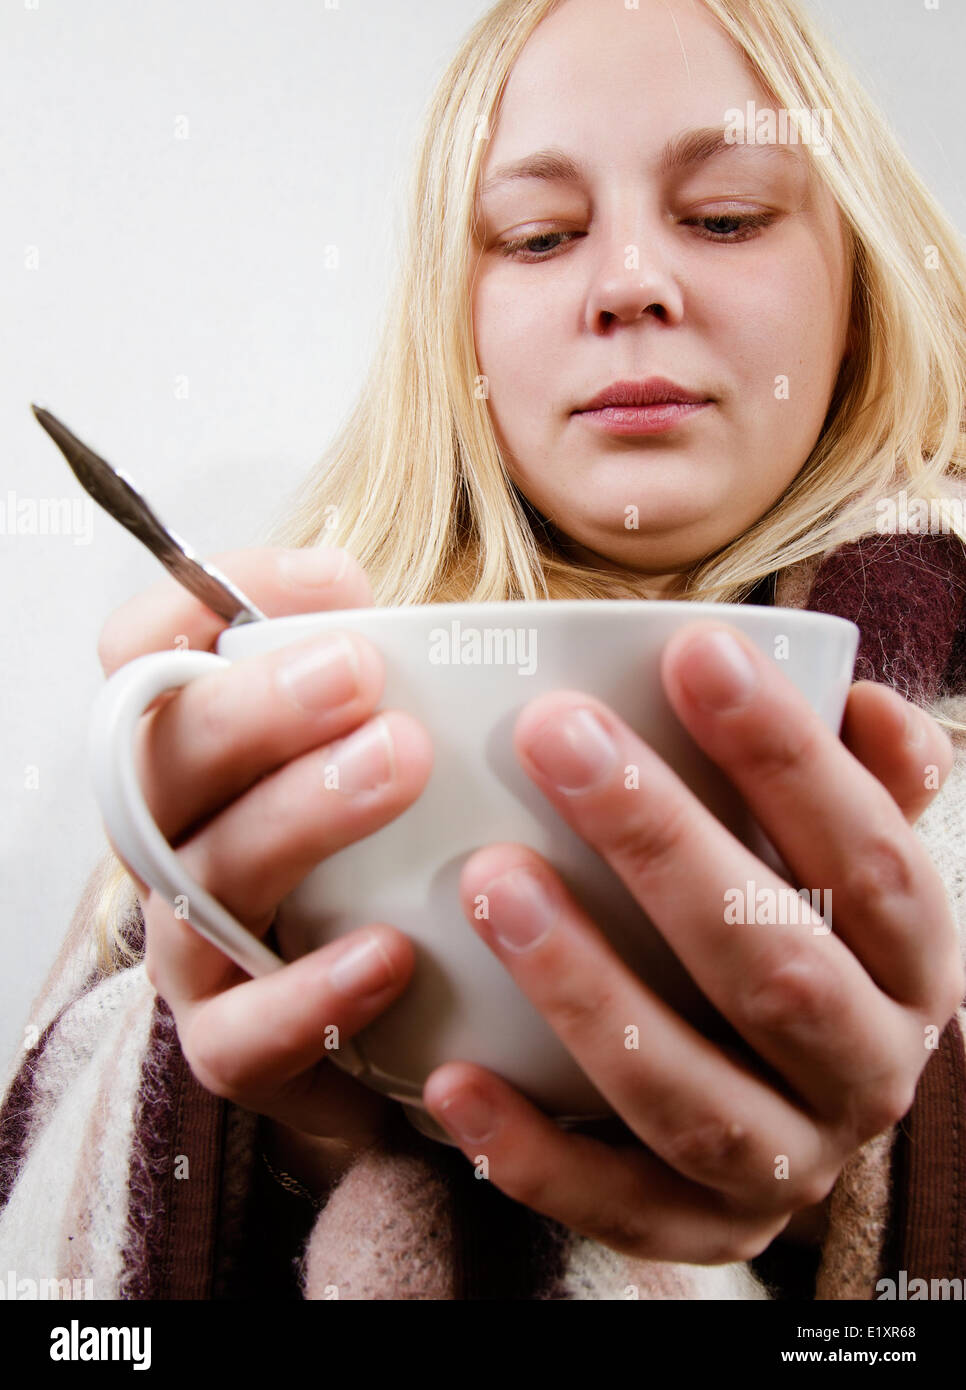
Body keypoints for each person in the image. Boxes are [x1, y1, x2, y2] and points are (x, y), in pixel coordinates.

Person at [2, 0, 966, 1301]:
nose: (629, 281)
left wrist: (869, 1195)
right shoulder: (261, 724)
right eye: (539, 235)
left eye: (725, 216)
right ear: (455, 334)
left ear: (853, 291)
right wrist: (291, 1128)